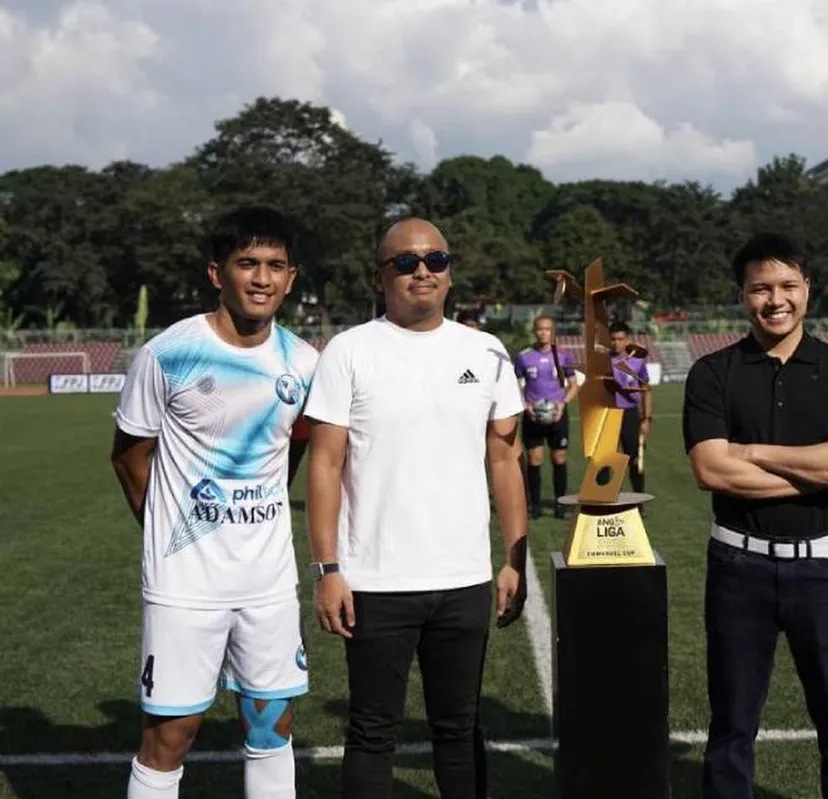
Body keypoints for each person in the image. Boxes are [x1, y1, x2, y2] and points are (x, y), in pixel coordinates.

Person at [302, 218, 528, 799]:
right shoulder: (349, 351)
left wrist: (514, 559)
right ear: (381, 277)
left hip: (464, 578)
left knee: (459, 730)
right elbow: (324, 465)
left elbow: (504, 459)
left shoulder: (486, 350)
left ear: (450, 272)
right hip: (374, 580)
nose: (422, 270)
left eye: (436, 259)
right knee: (372, 732)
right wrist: (327, 570)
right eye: (405, 262)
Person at [110, 206, 319, 799]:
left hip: (269, 579)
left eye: (275, 266)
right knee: (172, 734)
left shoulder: (304, 362)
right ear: (216, 273)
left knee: (271, 725)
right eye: (247, 264)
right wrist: (168, 531)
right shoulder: (168, 353)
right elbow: (129, 454)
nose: (261, 278)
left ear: (291, 278)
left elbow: (294, 450)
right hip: (186, 583)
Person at [683, 232, 828, 799]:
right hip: (738, 567)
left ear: (808, 289)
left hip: (825, 569)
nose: (776, 300)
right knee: (732, 725)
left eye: (788, 285)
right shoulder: (713, 372)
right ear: (742, 295)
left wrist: (751, 450)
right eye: (761, 288)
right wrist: (818, 460)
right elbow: (712, 472)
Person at [513, 315, 579, 519]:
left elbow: (574, 385)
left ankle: (560, 505)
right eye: (540, 329)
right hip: (533, 415)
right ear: (534, 331)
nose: (543, 333)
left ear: (553, 332)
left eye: (547, 329)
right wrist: (526, 406)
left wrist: (562, 404)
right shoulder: (524, 356)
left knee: (559, 458)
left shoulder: (563, 355)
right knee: (534, 460)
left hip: (557, 414)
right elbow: (516, 385)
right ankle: (536, 506)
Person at [608, 321, 653, 498]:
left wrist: (646, 419)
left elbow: (646, 389)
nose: (616, 343)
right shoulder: (601, 360)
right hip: (608, 415)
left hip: (630, 414)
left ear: (627, 340)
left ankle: (639, 500)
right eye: (613, 339)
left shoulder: (637, 361)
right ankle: (606, 500)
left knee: (634, 460)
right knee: (606, 461)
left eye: (620, 339)